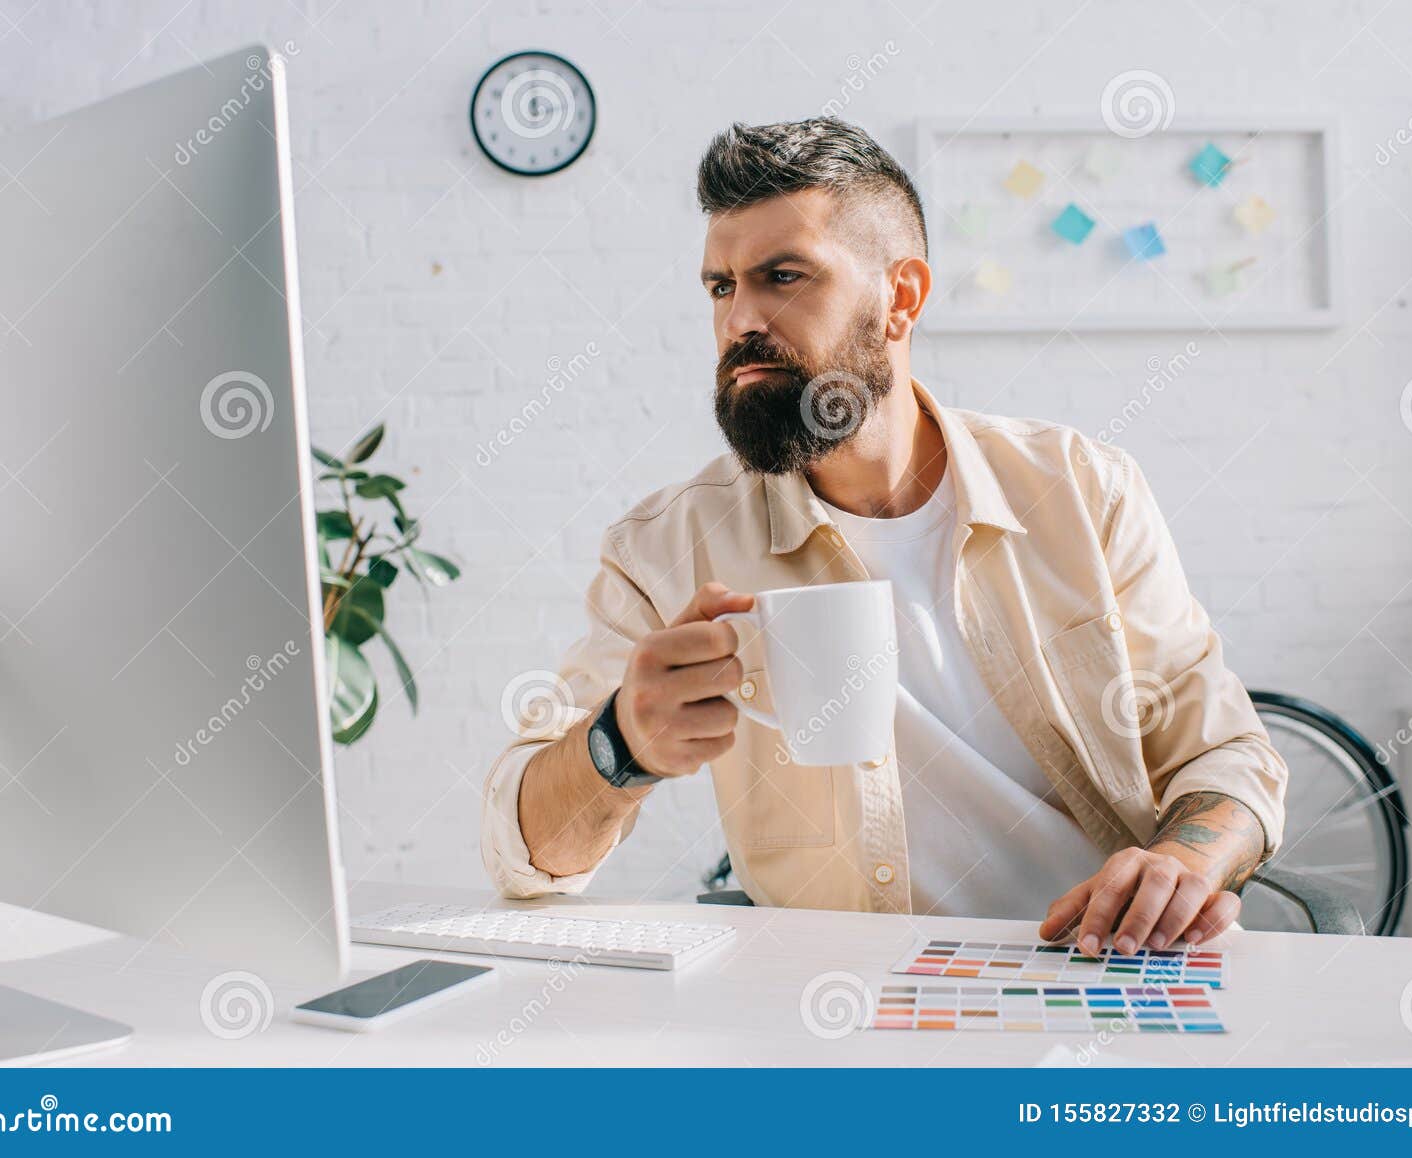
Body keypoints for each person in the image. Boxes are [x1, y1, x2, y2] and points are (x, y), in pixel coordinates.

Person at [481, 117, 1287, 955]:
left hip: (1101, 967)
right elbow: (526, 858)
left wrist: (1183, 863)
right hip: (840, 997)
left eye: (782, 276)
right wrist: (622, 744)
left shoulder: (1083, 490)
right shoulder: (665, 546)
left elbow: (1227, 754)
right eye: (721, 287)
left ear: (901, 297)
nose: (739, 319)